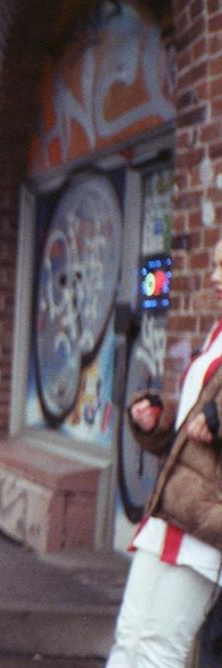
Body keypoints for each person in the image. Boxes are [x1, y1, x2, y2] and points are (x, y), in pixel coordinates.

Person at [108, 238, 222, 667]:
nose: (214, 277)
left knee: (159, 651)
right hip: (173, 510)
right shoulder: (217, 334)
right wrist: (159, 419)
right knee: (130, 640)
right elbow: (195, 430)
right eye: (215, 265)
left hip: (204, 522)